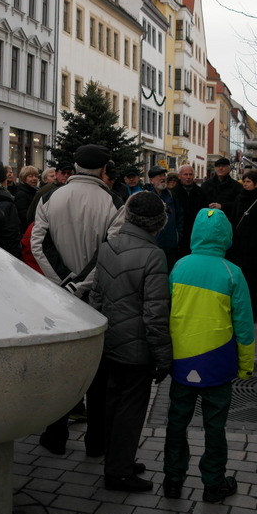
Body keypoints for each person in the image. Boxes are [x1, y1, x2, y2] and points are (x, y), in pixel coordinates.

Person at [31, 144, 125, 456]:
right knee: (97, 372)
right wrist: (81, 283)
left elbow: (38, 244)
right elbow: (110, 251)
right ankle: (96, 441)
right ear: (103, 169)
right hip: (96, 297)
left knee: (61, 366)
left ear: (74, 165)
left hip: (58, 297)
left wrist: (64, 283)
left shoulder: (50, 196)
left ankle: (55, 435)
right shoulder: (113, 202)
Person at [163, 207, 255, 503]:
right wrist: (246, 366)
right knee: (215, 426)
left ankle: (173, 480)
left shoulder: (179, 267)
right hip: (218, 363)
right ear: (226, 236)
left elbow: (167, 312)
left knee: (177, 422)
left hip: (182, 360)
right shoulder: (233, 273)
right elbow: (244, 325)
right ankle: (213, 484)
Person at [88, 192, 172, 492]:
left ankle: (117, 459)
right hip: (137, 349)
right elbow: (155, 313)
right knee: (130, 411)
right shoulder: (154, 255)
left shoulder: (109, 245)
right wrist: (164, 356)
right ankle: (118, 471)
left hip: (111, 342)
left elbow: (96, 296)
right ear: (158, 223)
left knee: (113, 404)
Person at [226, 169, 257, 323]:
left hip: (254, 252)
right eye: (244, 181)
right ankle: (237, 313)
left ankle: (251, 314)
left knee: (251, 285)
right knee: (237, 283)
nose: (245, 184)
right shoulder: (239, 198)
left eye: (249, 181)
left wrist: (256, 242)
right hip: (237, 249)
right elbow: (233, 220)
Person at [144, 166, 181, 271]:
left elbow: (179, 215)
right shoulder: (146, 196)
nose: (163, 178)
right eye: (159, 176)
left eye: (164, 175)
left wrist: (178, 235)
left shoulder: (171, 195)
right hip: (152, 246)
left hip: (170, 246)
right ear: (151, 180)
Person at [172, 164, 203, 260]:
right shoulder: (173, 193)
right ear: (179, 176)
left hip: (197, 232)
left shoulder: (201, 192)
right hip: (180, 234)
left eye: (190, 174)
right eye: (185, 174)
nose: (188, 177)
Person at [201, 157, 242, 221]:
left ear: (229, 169)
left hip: (228, 220)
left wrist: (222, 206)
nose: (220, 168)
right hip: (209, 220)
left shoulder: (236, 186)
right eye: (218, 166)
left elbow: (239, 204)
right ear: (215, 169)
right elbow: (200, 202)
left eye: (223, 166)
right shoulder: (206, 185)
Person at [12, 165, 40, 231]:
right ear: (24, 178)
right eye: (30, 176)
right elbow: (24, 216)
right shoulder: (22, 194)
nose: (34, 178)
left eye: (36, 176)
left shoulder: (35, 191)